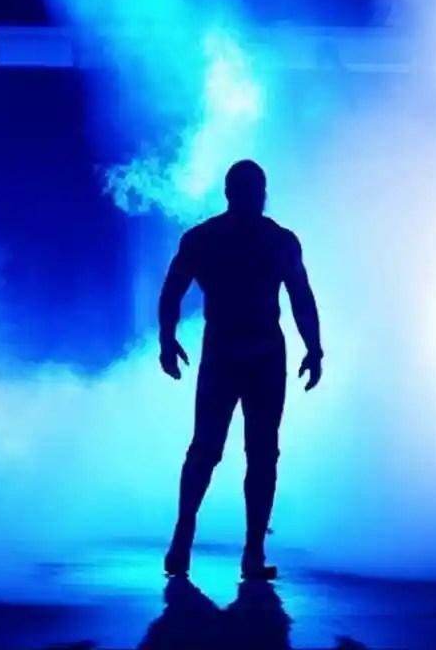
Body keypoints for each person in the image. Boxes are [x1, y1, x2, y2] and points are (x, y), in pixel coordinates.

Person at [157, 159, 323, 581]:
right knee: (226, 450)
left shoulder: (232, 240)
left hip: (249, 354)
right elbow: (172, 289)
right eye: (251, 190)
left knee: (242, 451)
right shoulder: (241, 240)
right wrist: (166, 339)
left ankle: (231, 546)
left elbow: (302, 296)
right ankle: (205, 540)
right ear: (238, 193)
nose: (254, 198)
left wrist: (315, 347)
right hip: (241, 353)